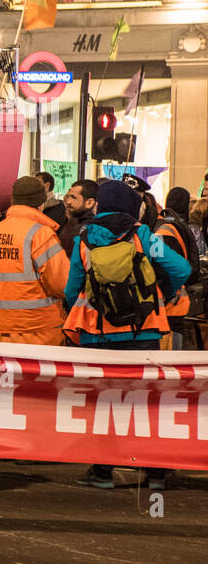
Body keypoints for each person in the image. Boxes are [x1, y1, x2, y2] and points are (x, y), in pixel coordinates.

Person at [64, 180, 189, 490]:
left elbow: (70, 291)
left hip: (98, 334)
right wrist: (163, 291)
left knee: (103, 404)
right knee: (146, 402)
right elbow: (181, 269)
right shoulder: (145, 237)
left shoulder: (84, 240)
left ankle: (102, 472)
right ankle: (155, 474)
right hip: (143, 331)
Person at [0, 176, 70, 346]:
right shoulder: (41, 235)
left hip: (1, 329)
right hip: (41, 330)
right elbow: (62, 283)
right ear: (41, 203)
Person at [154, 188, 200, 350]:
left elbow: (167, 269)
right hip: (175, 302)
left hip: (169, 306)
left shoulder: (164, 229)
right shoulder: (180, 227)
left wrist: (168, 293)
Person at [56, 178, 98, 259]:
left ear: (89, 203)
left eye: (73, 197)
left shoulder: (90, 229)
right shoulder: (73, 221)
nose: (68, 201)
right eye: (68, 197)